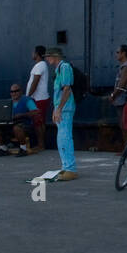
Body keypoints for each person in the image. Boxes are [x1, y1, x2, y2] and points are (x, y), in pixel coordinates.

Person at [46, 47, 78, 179]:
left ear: (54, 56)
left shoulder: (64, 67)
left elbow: (67, 90)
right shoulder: (59, 68)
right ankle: (66, 167)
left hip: (65, 108)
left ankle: (70, 168)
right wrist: (56, 108)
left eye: (48, 56)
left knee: (64, 137)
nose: (47, 59)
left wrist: (58, 108)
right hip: (61, 108)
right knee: (62, 138)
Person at [0, 83, 41, 156]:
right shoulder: (8, 102)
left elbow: (36, 112)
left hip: (25, 124)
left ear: (20, 91)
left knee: (17, 128)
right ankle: (3, 149)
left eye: (16, 91)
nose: (14, 93)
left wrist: (22, 115)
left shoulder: (27, 100)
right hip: (10, 124)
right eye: (12, 92)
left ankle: (23, 149)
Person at [109, 44, 127, 153]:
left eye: (118, 52)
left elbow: (122, 85)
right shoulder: (125, 66)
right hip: (122, 100)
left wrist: (113, 95)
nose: (116, 54)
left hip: (125, 100)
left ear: (123, 53)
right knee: (124, 124)